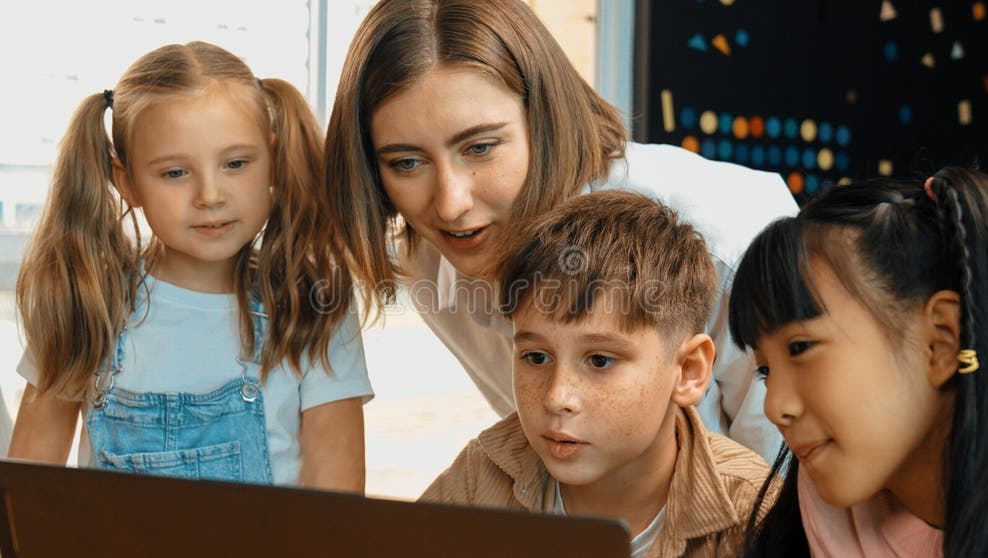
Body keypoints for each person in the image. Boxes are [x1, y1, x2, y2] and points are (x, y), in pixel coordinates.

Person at [324, 0, 796, 464]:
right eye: (407, 162)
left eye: (481, 147)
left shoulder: (732, 242)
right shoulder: (433, 259)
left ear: (545, 118)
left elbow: (791, 488)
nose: (451, 204)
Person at [8, 42, 373, 491]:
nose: (210, 195)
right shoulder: (86, 301)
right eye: (175, 173)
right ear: (127, 182)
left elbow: (335, 502)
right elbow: (24, 493)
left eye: (235, 163)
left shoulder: (315, 306)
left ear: (274, 161)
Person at [421, 190, 772, 557]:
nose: (557, 397)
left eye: (600, 361)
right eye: (536, 357)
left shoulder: (757, 515)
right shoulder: (480, 479)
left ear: (688, 371)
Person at [728, 167, 988, 557]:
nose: (775, 407)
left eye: (800, 347)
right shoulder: (825, 512)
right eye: (766, 371)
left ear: (942, 341)